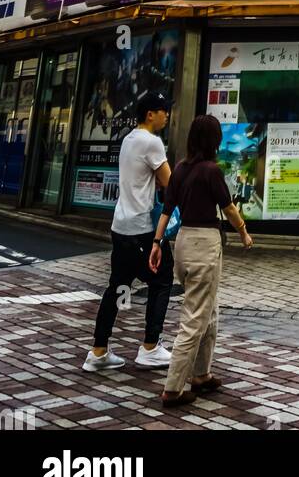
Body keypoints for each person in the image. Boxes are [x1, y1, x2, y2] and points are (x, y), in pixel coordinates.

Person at [150, 114, 253, 409]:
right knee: (194, 319)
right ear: (214, 141)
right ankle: (172, 388)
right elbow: (229, 209)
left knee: (209, 311)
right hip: (204, 245)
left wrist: (157, 243)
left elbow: (167, 210)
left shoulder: (180, 168)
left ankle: (201, 374)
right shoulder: (212, 171)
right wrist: (244, 232)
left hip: (182, 242)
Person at [83, 93, 174, 373]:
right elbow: (170, 182)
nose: (166, 115)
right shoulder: (152, 142)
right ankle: (150, 347)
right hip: (142, 229)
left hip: (120, 226)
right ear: (150, 114)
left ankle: (99, 350)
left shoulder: (129, 139)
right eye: (163, 110)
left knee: (117, 286)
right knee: (162, 279)